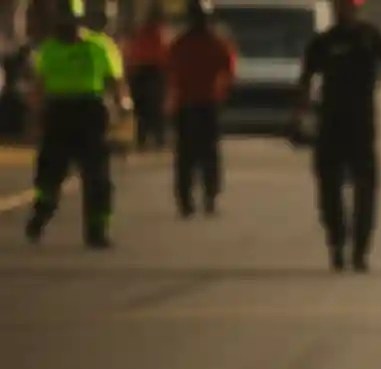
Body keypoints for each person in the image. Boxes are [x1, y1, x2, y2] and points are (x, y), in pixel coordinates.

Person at [294, 0, 381, 273]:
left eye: (349, 6)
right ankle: (337, 244)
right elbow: (306, 79)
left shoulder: (369, 37)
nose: (345, 10)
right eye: (340, 6)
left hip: (361, 126)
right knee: (329, 188)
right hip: (331, 125)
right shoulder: (323, 42)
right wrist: (300, 114)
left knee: (365, 189)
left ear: (357, 8)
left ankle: (360, 250)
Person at [25, 0, 132, 249]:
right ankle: (42, 212)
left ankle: (97, 228)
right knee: (50, 172)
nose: (67, 29)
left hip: (90, 111)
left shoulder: (100, 46)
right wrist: (34, 117)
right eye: (63, 24)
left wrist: (124, 105)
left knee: (97, 175)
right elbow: (39, 87)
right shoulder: (48, 50)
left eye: (71, 23)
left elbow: (116, 81)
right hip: (58, 112)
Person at [167, 0, 236, 217]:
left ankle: (203, 197)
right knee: (195, 155)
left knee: (200, 154)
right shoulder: (195, 43)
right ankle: (194, 198)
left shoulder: (207, 42)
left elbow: (229, 69)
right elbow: (230, 70)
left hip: (201, 103)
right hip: (195, 104)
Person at [124, 4, 169, 149]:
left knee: (143, 109)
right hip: (153, 72)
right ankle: (156, 137)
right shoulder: (158, 33)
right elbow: (164, 54)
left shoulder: (141, 33)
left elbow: (132, 53)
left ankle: (144, 138)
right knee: (154, 108)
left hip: (141, 73)